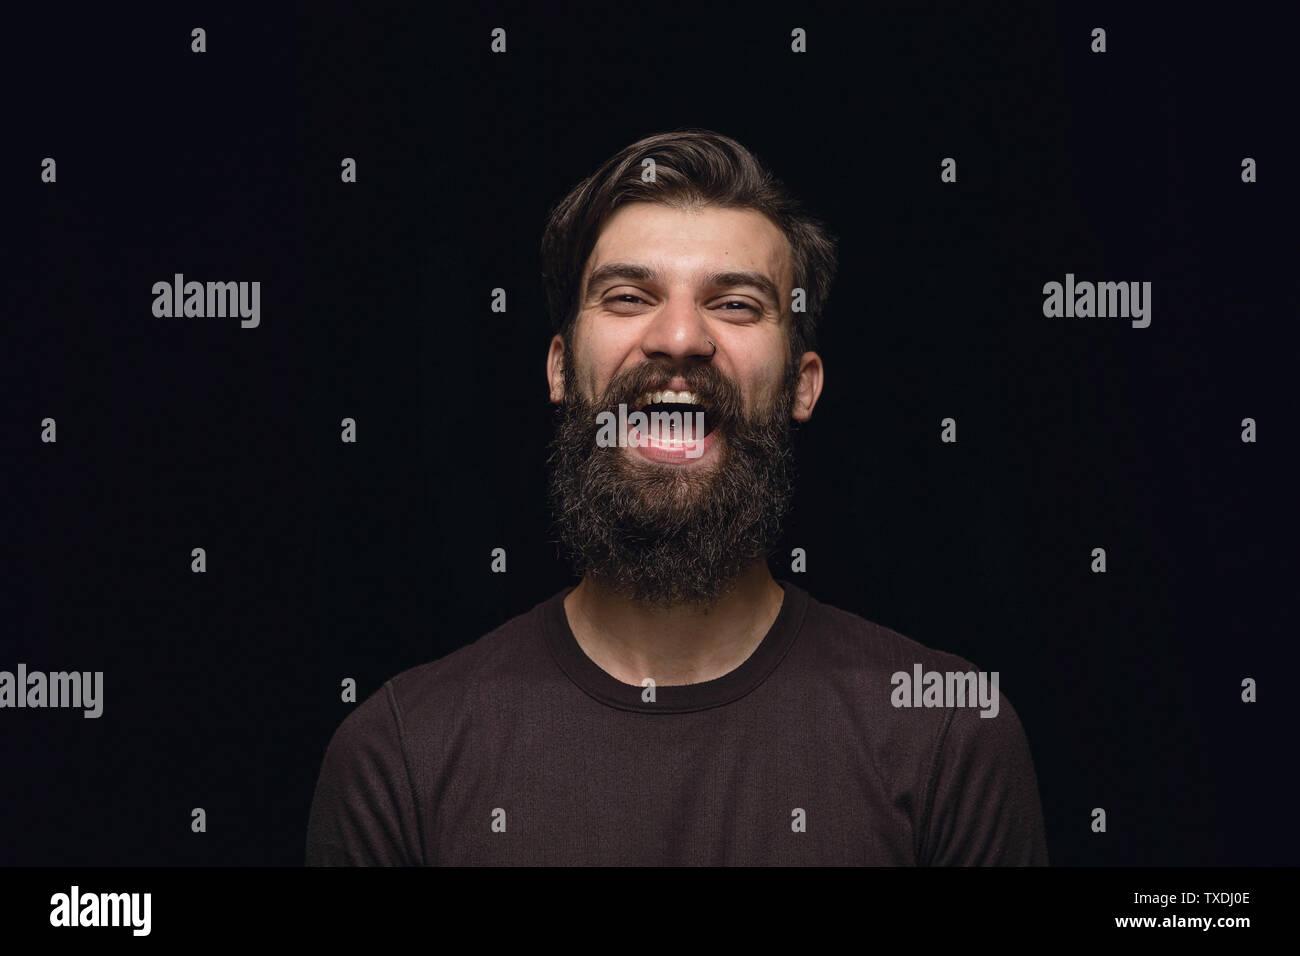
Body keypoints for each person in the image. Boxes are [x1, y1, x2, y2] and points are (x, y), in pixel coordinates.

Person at [305, 129, 1049, 865]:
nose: (682, 336)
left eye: (735, 304)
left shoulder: (948, 734)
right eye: (629, 296)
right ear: (561, 370)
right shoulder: (399, 755)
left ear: (802, 384)